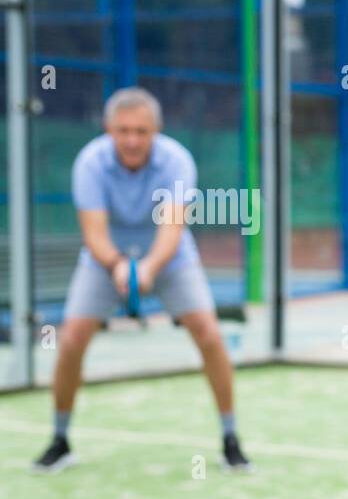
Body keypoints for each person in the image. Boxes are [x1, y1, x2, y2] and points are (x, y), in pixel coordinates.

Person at [30, 86, 252, 474]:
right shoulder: (90, 162)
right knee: (71, 338)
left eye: (141, 131)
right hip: (104, 260)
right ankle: (60, 440)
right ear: (108, 129)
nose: (132, 140)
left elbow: (172, 227)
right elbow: (94, 231)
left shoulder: (177, 161)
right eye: (123, 130)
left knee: (208, 333)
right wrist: (118, 264)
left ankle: (231, 439)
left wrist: (148, 267)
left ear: (157, 131)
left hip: (170, 258)